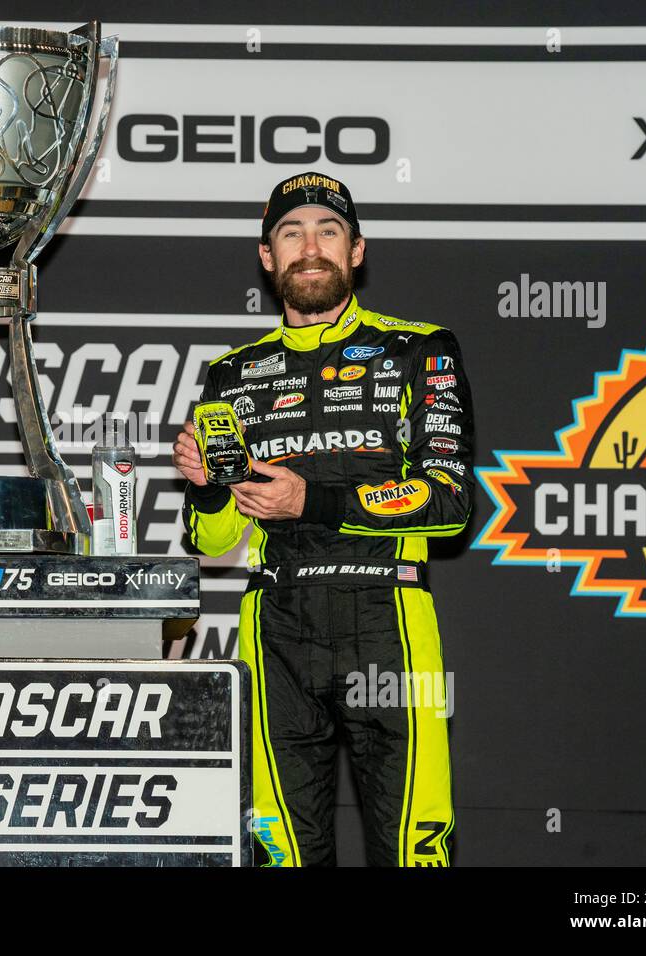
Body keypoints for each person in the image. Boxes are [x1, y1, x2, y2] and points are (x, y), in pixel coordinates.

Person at [172, 171, 473, 867]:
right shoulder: (231, 374)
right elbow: (210, 541)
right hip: (273, 623)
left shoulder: (421, 349)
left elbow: (449, 504)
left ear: (357, 251)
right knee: (281, 853)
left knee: (416, 847)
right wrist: (208, 486)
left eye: (328, 231)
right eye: (292, 232)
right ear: (268, 257)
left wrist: (312, 502)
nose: (311, 247)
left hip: (388, 614)